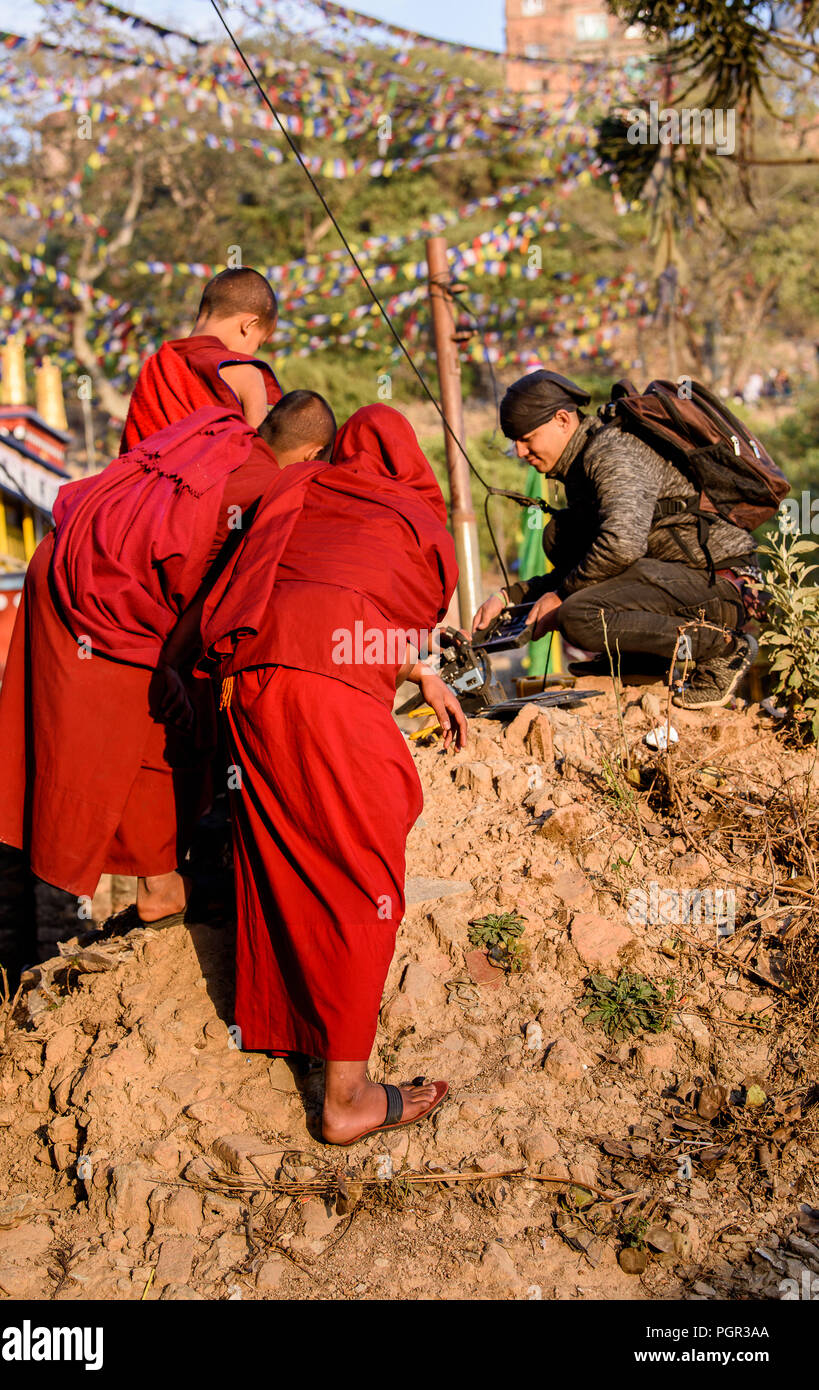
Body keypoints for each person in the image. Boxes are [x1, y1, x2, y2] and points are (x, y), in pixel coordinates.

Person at [197, 404, 466, 1145]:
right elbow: (390, 598)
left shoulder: (303, 490)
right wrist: (419, 665)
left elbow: (318, 583)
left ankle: (286, 1027)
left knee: (282, 852)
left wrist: (416, 673)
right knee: (364, 872)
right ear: (411, 463)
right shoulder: (413, 516)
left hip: (249, 683)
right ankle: (344, 1097)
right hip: (327, 691)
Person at [0, 392, 336, 927]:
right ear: (313, 453)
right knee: (161, 726)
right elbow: (210, 597)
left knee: (150, 717)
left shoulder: (216, 431)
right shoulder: (266, 491)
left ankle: (163, 875)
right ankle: (160, 887)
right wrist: (171, 663)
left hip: (65, 562)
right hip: (108, 604)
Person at [472, 369, 759, 708]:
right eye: (514, 442)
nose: (520, 451)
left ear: (563, 420)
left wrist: (562, 595)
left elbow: (622, 545)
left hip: (722, 586)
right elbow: (593, 563)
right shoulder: (580, 466)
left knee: (580, 615)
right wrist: (510, 598)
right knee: (560, 537)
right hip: (676, 580)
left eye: (527, 437)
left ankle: (724, 648)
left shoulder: (611, 450)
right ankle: (641, 661)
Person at [120, 267, 282, 452]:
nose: (253, 354)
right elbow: (259, 462)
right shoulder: (247, 375)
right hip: (208, 481)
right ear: (248, 324)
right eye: (258, 344)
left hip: (143, 481)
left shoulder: (156, 366)